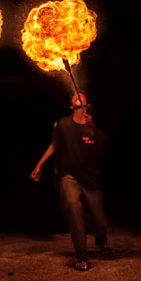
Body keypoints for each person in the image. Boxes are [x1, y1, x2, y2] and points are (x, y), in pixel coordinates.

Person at [31, 92, 111, 271]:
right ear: (71, 105)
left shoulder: (92, 127)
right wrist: (40, 164)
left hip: (90, 179)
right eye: (75, 96)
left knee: (98, 219)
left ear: (87, 104)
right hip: (69, 176)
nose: (78, 96)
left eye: (81, 96)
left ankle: (102, 243)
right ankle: (81, 256)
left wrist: (94, 127)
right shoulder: (64, 124)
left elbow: (103, 145)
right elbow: (54, 145)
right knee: (74, 208)